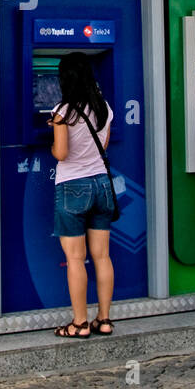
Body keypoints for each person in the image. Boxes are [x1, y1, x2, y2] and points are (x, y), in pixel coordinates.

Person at [48, 51, 116, 338]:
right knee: (102, 256)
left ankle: (79, 323)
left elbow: (61, 153)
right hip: (102, 184)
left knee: (76, 259)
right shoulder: (104, 109)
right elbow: (104, 146)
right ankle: (104, 319)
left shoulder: (63, 112)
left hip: (73, 186)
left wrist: (52, 140)